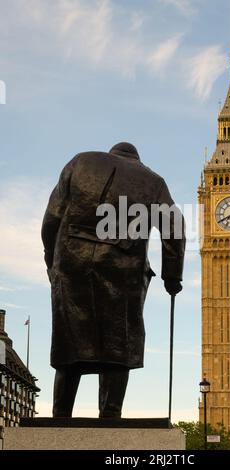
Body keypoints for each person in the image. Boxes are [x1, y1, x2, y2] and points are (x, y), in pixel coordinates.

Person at [41, 142, 185, 418]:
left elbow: (52, 218)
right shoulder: (153, 181)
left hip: (71, 261)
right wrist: (172, 276)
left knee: (70, 340)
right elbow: (174, 227)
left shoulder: (79, 161)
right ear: (136, 159)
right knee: (119, 343)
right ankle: (110, 415)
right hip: (123, 267)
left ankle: (60, 415)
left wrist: (52, 261)